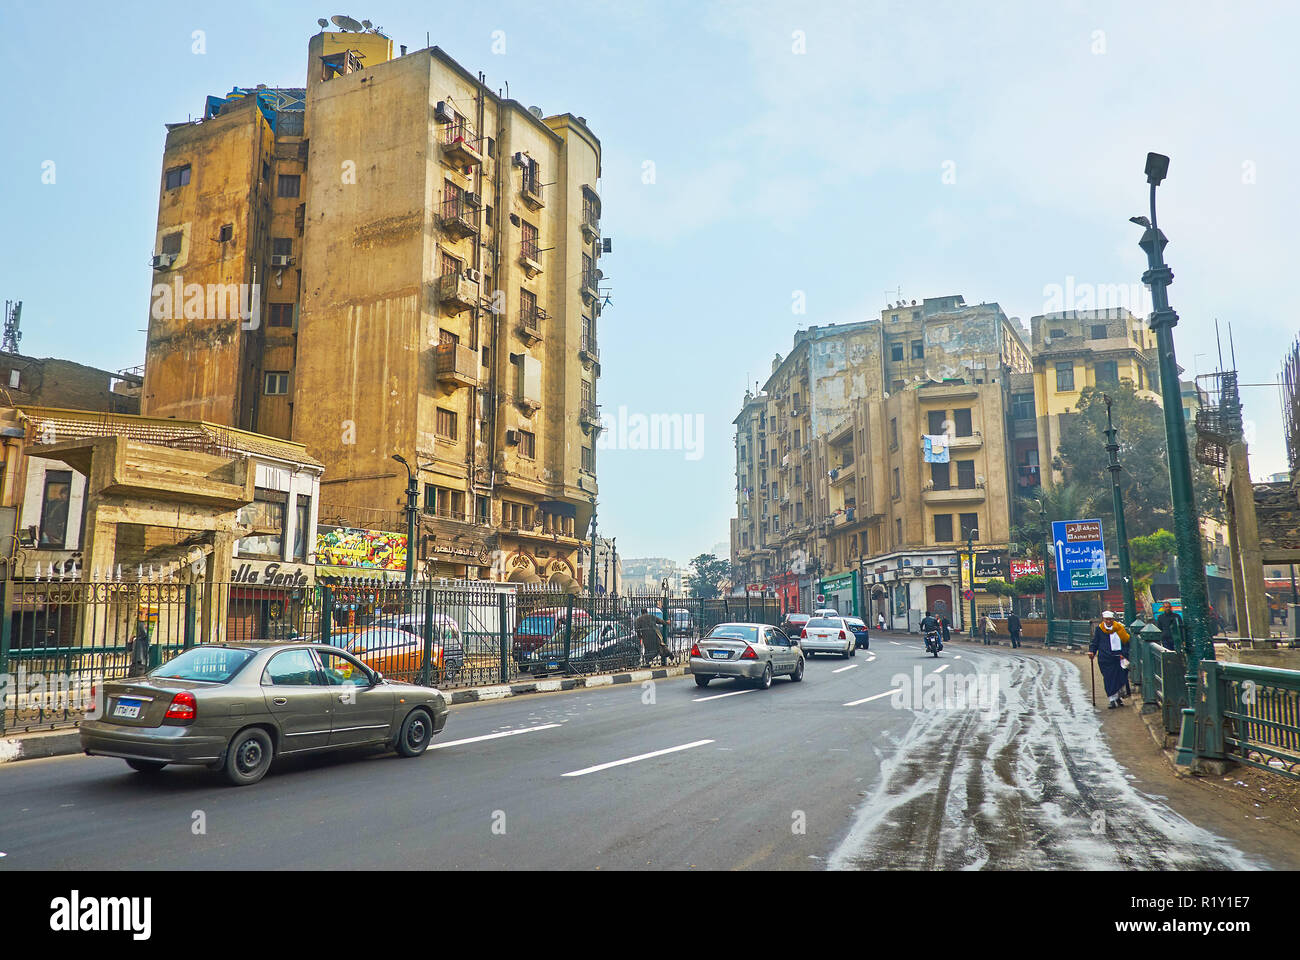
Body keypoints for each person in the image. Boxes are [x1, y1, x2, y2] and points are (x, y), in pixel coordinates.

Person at [1089, 610, 1131, 709]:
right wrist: (1092, 652)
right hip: (1105, 658)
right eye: (1106, 620)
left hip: (1118, 658)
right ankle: (1112, 699)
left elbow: (1126, 642)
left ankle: (1118, 697)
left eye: (1110, 620)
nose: (1108, 621)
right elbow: (1095, 642)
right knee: (1108, 679)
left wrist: (1123, 654)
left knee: (1120, 678)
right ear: (1103, 620)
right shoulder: (1100, 629)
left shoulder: (1120, 628)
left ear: (1113, 620)